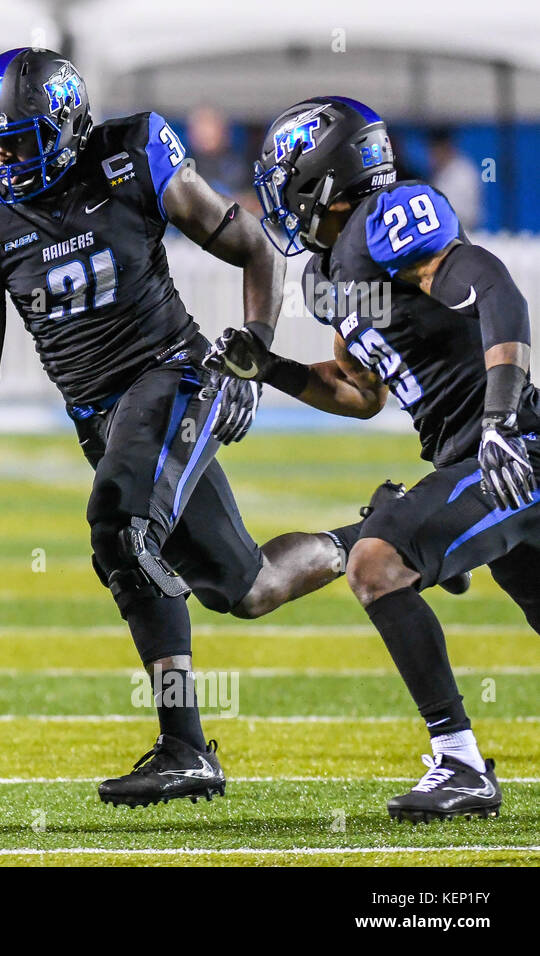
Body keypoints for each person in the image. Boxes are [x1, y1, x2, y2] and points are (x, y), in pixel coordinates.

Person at [0, 49, 466, 810]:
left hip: (172, 374)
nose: (8, 159)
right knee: (244, 586)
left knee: (120, 532)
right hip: (97, 415)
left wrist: (250, 352)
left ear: (70, 126)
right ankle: (392, 531)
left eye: (24, 139)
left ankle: (185, 747)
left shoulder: (129, 154)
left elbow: (247, 244)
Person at [207, 96, 538, 822]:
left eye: (286, 175)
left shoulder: (388, 220)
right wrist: (272, 368)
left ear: (324, 173)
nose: (277, 195)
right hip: (474, 452)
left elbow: (494, 286)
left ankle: (460, 764)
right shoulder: (330, 274)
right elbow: (361, 392)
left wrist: (502, 419)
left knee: (376, 562)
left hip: (511, 448)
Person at [428, 128, 483, 232]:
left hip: (464, 230)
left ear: (446, 148)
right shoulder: (439, 173)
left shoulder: (463, 172)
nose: (433, 157)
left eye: (436, 151)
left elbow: (467, 214)